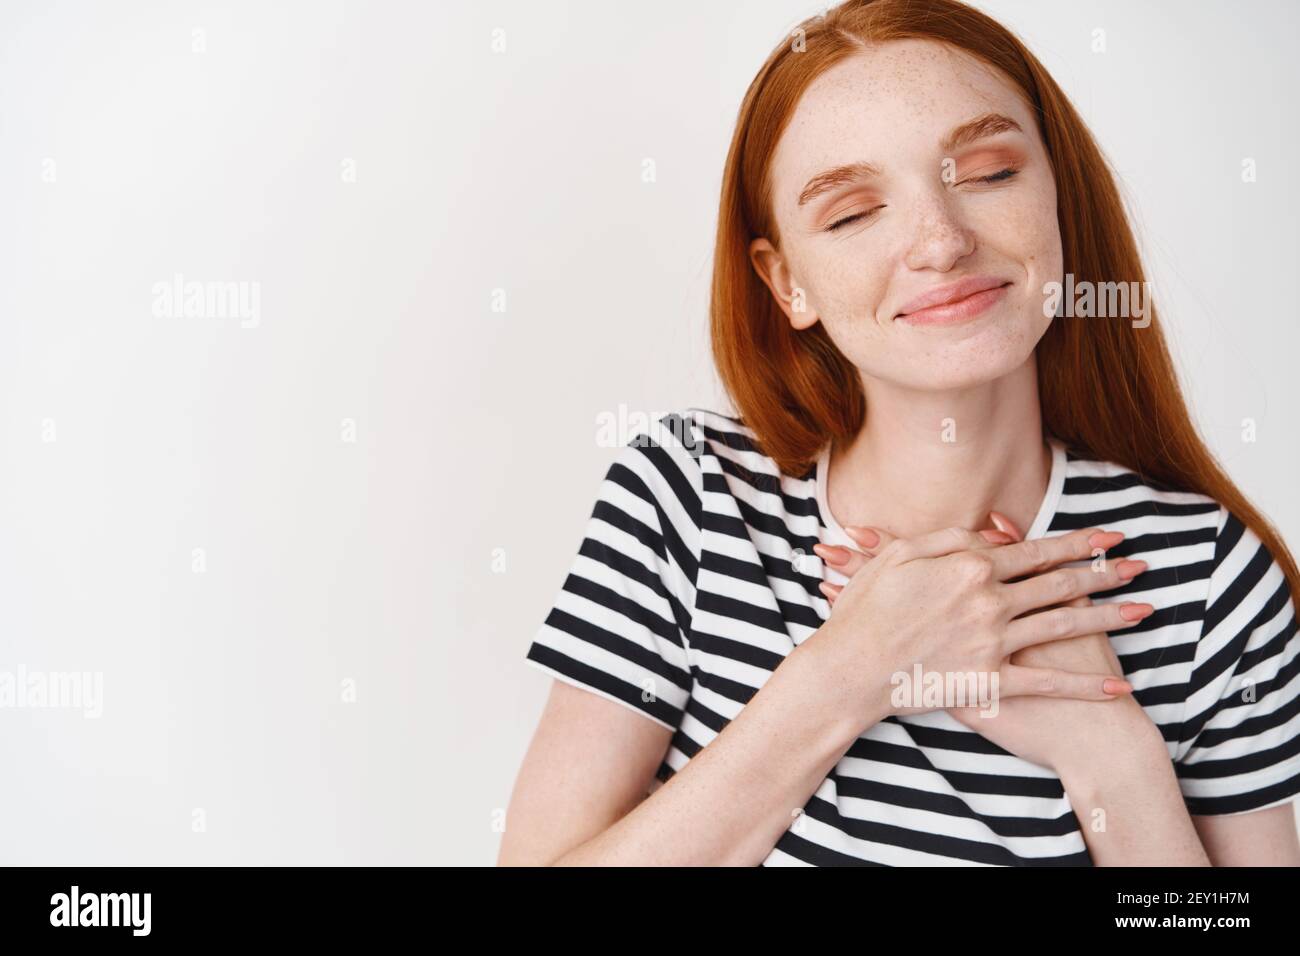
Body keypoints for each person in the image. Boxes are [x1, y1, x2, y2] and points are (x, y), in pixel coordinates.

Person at [499, 0, 1300, 866]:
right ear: (786, 283)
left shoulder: (1210, 574)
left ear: (1058, 190)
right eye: (851, 214)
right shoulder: (685, 497)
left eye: (989, 171)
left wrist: (1113, 759)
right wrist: (850, 671)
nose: (941, 241)